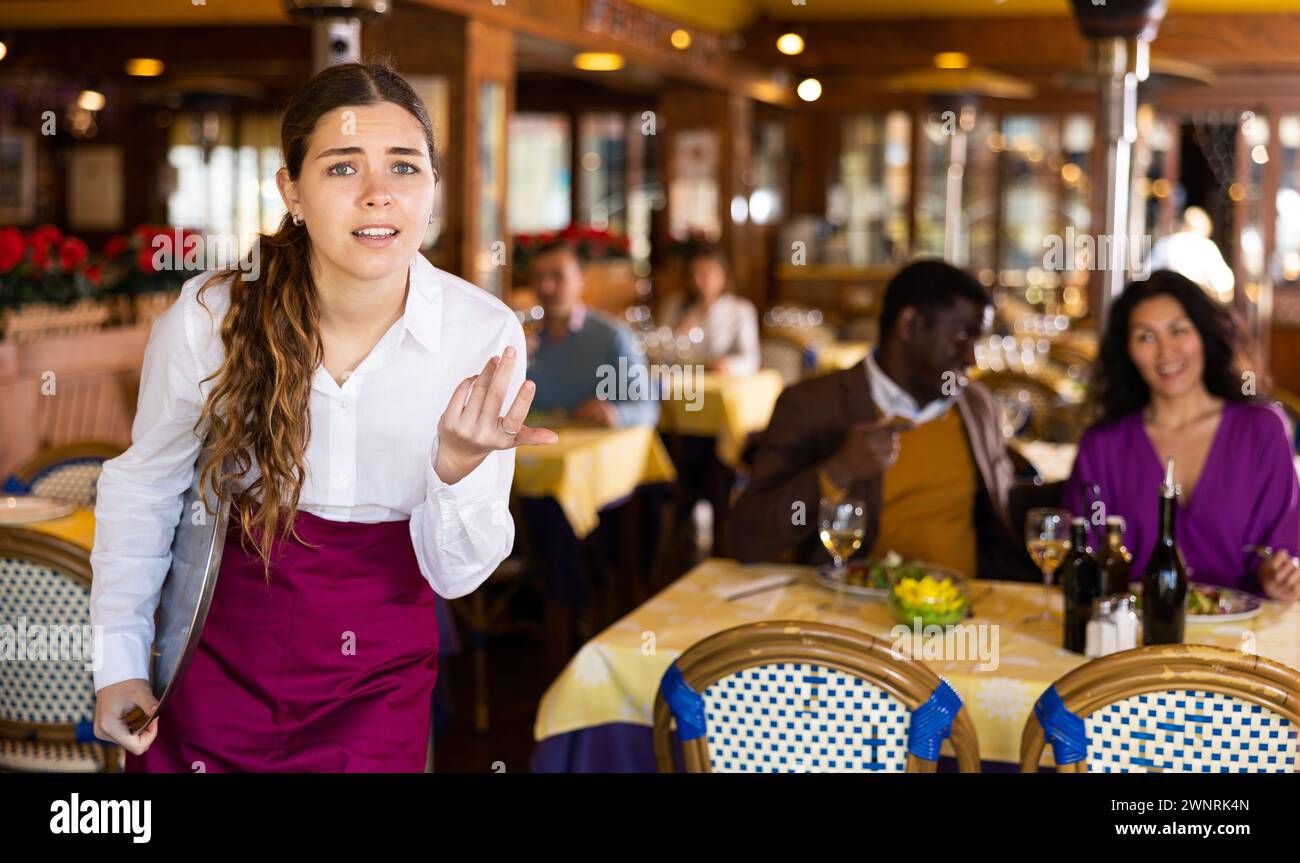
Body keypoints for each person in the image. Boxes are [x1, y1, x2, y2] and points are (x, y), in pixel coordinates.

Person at [89, 62, 557, 772]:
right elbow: (144, 489)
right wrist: (118, 663)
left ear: (432, 187)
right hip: (216, 656)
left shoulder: (480, 335)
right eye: (343, 168)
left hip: (378, 671)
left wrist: (457, 472)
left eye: (404, 166)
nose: (378, 194)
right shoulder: (211, 315)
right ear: (292, 191)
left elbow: (458, 578)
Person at [730, 259, 1037, 582]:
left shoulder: (976, 405)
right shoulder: (813, 405)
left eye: (978, 341)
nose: (972, 359)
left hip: (959, 616)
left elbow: (1003, 503)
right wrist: (837, 471)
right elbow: (748, 538)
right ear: (909, 325)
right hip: (852, 616)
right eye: (962, 337)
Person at [1063, 270, 1300, 601]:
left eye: (1178, 331)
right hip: (1135, 643)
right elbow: (1083, 556)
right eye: (1146, 337)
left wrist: (1278, 576)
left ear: (1203, 334)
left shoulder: (1262, 430)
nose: (1165, 352)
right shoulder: (1103, 446)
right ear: (1126, 350)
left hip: (1243, 641)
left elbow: (1283, 547)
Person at [526, 240, 659, 427]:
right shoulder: (522, 339)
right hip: (534, 450)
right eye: (538, 277)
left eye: (558, 276)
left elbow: (648, 410)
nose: (546, 287)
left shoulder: (613, 337)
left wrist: (616, 414)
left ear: (582, 279)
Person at [660, 242, 760, 375]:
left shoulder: (740, 310)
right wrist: (673, 339)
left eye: (707, 273)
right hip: (682, 382)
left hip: (719, 384)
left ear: (723, 273)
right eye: (695, 274)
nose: (699, 280)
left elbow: (751, 360)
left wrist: (728, 365)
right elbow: (658, 357)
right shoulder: (675, 306)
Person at [1147, 206, 1235, 304]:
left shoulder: (1165, 243)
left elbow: (1147, 272)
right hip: (1193, 304)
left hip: (1165, 302)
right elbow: (1224, 282)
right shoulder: (1206, 246)